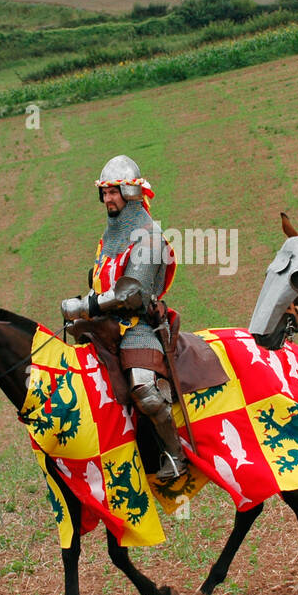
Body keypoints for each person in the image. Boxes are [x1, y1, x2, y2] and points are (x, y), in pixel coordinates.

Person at [60, 155, 187, 481]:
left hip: (138, 325)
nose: (107, 199)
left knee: (144, 389)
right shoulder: (110, 235)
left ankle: (175, 455)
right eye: (103, 193)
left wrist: (84, 305)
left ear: (130, 192)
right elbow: (102, 280)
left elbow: (132, 293)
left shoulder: (149, 236)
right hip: (106, 323)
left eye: (113, 192)